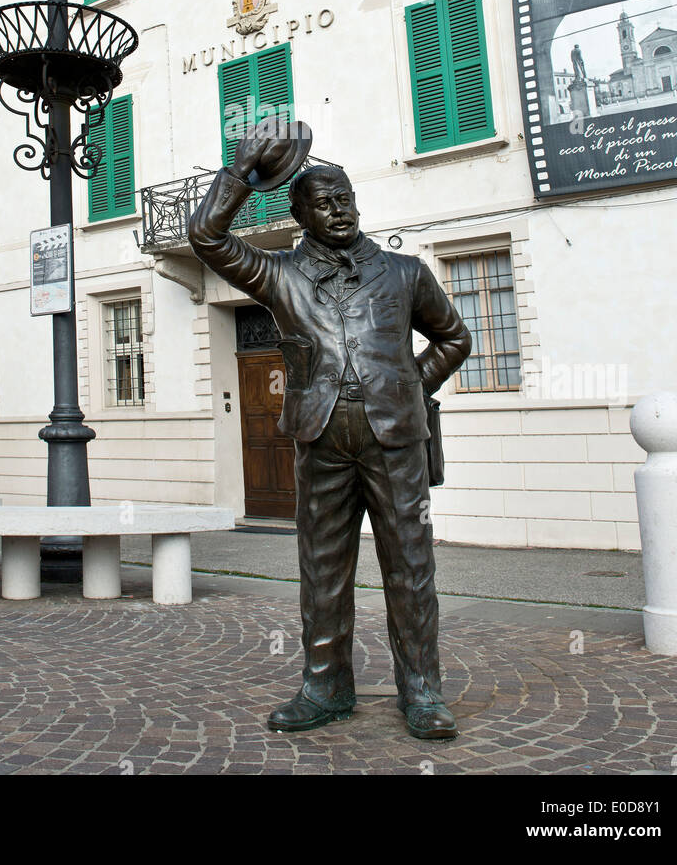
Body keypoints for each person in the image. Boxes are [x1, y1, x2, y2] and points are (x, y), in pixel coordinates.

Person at [188, 128, 472, 741]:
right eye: (324, 202)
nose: (339, 209)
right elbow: (206, 237)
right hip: (321, 441)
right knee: (322, 569)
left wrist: (406, 384)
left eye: (345, 198)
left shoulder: (404, 272)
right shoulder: (277, 274)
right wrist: (239, 173)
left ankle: (422, 690)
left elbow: (455, 339)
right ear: (300, 216)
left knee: (411, 566)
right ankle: (325, 685)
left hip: (395, 440)